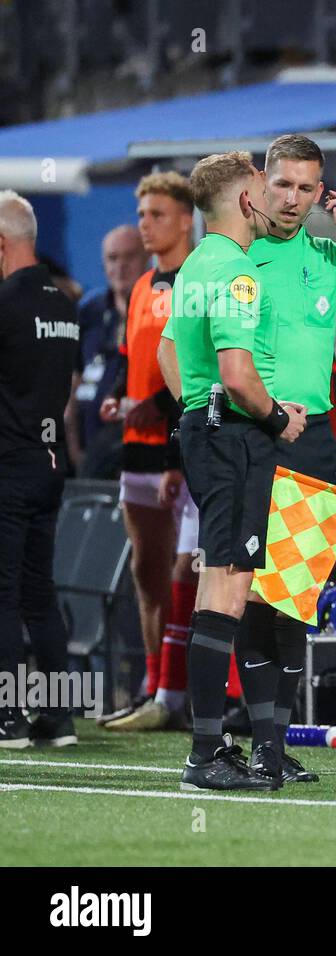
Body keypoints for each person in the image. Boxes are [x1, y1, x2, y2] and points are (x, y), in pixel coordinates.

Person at [212, 134, 336, 784]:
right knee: (247, 594)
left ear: (321, 192)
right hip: (249, 433)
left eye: (306, 188)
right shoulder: (235, 258)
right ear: (262, 185)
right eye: (283, 185)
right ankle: (256, 737)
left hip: (314, 437)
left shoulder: (327, 256)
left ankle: (272, 745)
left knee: (294, 595)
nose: (293, 199)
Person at [157, 151, 307, 791]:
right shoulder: (239, 273)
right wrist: (278, 419)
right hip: (238, 440)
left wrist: (197, 410)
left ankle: (211, 749)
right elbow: (239, 374)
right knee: (226, 586)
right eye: (263, 189)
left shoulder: (194, 266)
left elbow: (171, 352)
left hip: (209, 432)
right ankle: (205, 755)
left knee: (223, 582)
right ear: (247, 201)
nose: (275, 199)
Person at [95, 173, 204, 733]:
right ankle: (153, 683)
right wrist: (118, 398)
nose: (146, 224)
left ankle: (179, 691)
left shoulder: (199, 279)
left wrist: (156, 412)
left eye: (157, 214)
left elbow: (194, 365)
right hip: (135, 448)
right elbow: (128, 359)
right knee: (147, 571)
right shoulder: (142, 286)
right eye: (142, 215)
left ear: (186, 219)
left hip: (179, 446)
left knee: (188, 568)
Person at [0, 191, 80, 748]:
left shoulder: (4, 303)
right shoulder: (64, 303)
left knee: (3, 595)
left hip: (7, 463)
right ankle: (60, 716)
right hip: (50, 466)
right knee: (38, 593)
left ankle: (8, 716)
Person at [68, 225, 147, 478]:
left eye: (129, 256)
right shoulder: (90, 311)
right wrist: (74, 451)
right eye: (113, 258)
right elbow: (72, 383)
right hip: (92, 451)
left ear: (147, 258)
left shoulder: (164, 305)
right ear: (103, 263)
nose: (120, 266)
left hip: (144, 446)